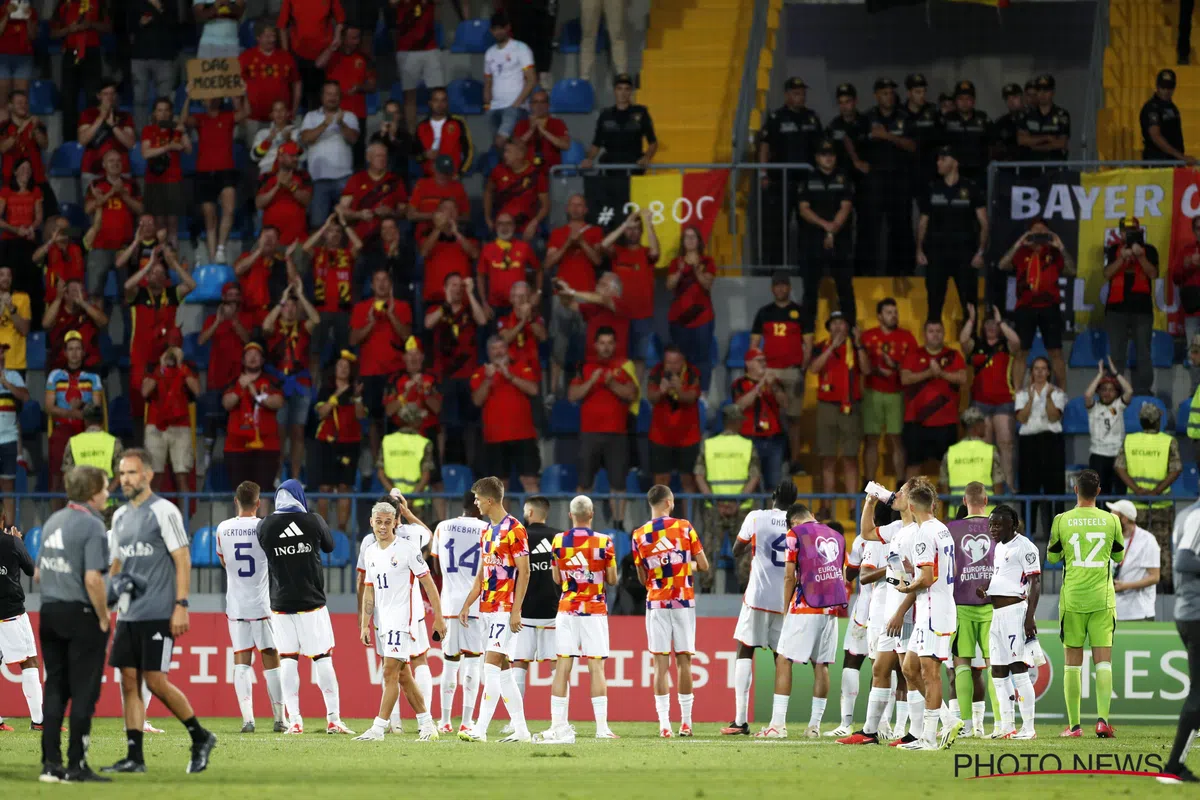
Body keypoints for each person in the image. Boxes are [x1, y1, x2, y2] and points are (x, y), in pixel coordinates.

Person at [102, 449, 216, 775]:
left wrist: (181, 605)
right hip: (128, 613)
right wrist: (108, 599)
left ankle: (200, 735)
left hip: (158, 611)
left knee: (155, 681)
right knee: (128, 682)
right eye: (121, 474)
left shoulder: (164, 511)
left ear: (148, 475)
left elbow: (182, 558)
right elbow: (117, 564)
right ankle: (134, 757)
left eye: (131, 473)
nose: (125, 480)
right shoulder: (121, 516)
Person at [34, 465, 111, 783]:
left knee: (54, 688)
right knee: (83, 692)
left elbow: (38, 573)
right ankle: (76, 766)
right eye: (105, 488)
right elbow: (93, 578)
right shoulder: (93, 525)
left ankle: (50, 764)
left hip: (48, 612)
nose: (108, 493)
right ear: (93, 493)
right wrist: (104, 616)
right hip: (80, 615)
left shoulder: (53, 520)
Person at [257, 479, 349, 734]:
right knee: (322, 659)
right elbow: (330, 546)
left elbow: (268, 550)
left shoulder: (264, 525)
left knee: (287, 660)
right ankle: (333, 718)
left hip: (280, 603)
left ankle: (295, 720)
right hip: (312, 602)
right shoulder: (314, 520)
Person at [355, 501, 447, 742]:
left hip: (402, 620)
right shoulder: (371, 552)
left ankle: (378, 728)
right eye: (379, 522)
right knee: (404, 677)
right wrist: (365, 623)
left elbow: (428, 583)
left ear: (396, 522)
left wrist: (438, 617)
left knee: (389, 673)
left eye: (388, 522)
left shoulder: (406, 549)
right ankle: (427, 725)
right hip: (383, 623)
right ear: (371, 523)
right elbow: (369, 590)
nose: (383, 527)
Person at [837, 481, 917, 746]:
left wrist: (900, 611)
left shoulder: (922, 533)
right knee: (881, 669)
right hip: (888, 613)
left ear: (913, 500)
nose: (896, 494)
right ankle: (870, 732)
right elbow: (867, 533)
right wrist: (870, 502)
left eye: (902, 491)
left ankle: (927, 728)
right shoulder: (896, 528)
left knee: (912, 673)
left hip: (906, 613)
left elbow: (922, 579)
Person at [534, 496, 619, 744]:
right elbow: (612, 579)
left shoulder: (558, 541)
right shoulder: (604, 542)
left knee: (563, 667)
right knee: (596, 667)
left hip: (567, 609)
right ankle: (602, 728)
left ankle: (557, 725)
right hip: (594, 611)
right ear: (591, 514)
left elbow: (558, 579)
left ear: (570, 515)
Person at [1047, 469, 1124, 738]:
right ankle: (1103, 721)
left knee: (1072, 663)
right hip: (1102, 600)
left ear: (1075, 489)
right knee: (1103, 663)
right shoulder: (1112, 520)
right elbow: (1119, 554)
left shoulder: (1061, 520)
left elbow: (1054, 559)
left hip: (1073, 600)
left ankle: (1075, 725)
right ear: (1099, 492)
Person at [761, 503, 848, 738]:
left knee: (783, 659)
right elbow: (842, 573)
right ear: (812, 516)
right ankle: (814, 727)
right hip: (830, 610)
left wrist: (784, 608)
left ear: (793, 522)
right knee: (822, 665)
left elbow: (789, 575)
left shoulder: (794, 534)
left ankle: (777, 726)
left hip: (805, 606)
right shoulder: (837, 536)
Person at [456, 476, 532, 743]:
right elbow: (482, 572)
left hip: (503, 608)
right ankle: (522, 731)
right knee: (504, 672)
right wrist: (467, 604)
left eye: (477, 498)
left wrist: (516, 610)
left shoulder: (515, 529)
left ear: (489, 500)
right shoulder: (487, 531)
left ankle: (480, 729)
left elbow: (525, 571)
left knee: (488, 668)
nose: (475, 503)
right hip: (486, 608)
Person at [722, 479, 798, 736]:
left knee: (745, 649)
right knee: (782, 658)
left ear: (774, 495)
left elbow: (735, 550)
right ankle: (779, 723)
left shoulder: (757, 517)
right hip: (785, 600)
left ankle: (740, 720)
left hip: (757, 596)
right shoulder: (798, 525)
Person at [632, 484, 710, 737]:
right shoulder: (684, 527)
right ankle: (686, 722)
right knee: (684, 661)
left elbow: (641, 575)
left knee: (660, 664)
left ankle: (664, 724)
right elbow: (704, 565)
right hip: (683, 601)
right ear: (668, 502)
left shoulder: (639, 534)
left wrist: (660, 572)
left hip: (656, 601)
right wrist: (681, 568)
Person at [893, 481, 960, 751]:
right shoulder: (942, 529)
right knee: (909, 667)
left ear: (911, 507)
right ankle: (947, 719)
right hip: (933, 608)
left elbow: (929, 578)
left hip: (934, 609)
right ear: (932, 505)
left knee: (930, 672)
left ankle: (930, 738)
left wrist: (906, 585)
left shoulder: (923, 534)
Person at [214, 481, 286, 734]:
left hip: (236, 605)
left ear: (236, 501)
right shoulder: (264, 527)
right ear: (258, 503)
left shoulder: (222, 528)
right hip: (261, 604)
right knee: (271, 660)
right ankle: (280, 718)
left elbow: (224, 561)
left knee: (242, 661)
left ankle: (248, 720)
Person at [981, 504, 1041, 740]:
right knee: (997, 670)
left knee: (1018, 669)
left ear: (1012, 525)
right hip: (997, 616)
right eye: (991, 524)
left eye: (998, 524)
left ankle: (1029, 728)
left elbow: (1035, 582)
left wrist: (1029, 618)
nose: (993, 529)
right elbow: (1004, 578)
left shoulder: (1025, 547)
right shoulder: (998, 547)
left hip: (1016, 613)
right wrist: (986, 590)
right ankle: (1007, 725)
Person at [944, 483, 999, 739]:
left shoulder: (950, 529)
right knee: (995, 665)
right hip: (992, 605)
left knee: (962, 663)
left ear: (964, 501)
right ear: (986, 499)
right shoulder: (998, 527)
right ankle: (1001, 724)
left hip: (960, 604)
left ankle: (965, 725)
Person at [431, 492, 488, 734]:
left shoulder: (443, 526)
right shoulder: (487, 529)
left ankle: (444, 721)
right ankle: (466, 721)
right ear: (478, 503)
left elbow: (435, 566)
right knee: (473, 663)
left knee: (450, 663)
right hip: (475, 604)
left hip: (450, 604)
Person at [569, 326, 636, 525]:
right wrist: (591, 381)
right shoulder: (584, 367)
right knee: (584, 484)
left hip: (617, 434)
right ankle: (581, 525)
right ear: (596, 345)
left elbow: (632, 394)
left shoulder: (624, 366)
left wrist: (611, 383)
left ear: (615, 345)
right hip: (589, 434)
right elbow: (573, 395)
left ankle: (618, 524)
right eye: (602, 343)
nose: (606, 347)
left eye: (609, 343)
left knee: (618, 484)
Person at [996, 219, 1073, 389]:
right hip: (1025, 307)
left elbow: (1071, 270)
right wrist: (1018, 244)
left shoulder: (1053, 252)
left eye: (1042, 232)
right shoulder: (1022, 252)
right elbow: (1002, 265)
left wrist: (1060, 247)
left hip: (1050, 306)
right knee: (1021, 352)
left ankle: (1062, 392)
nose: (1038, 235)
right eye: (1034, 232)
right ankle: (1017, 393)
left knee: (1055, 352)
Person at [757, 77, 824, 267]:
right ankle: (777, 270)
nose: (800, 97)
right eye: (796, 93)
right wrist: (763, 173)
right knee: (778, 228)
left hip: (807, 183)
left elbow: (822, 148)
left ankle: (808, 267)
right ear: (787, 95)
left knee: (809, 227)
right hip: (780, 182)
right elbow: (764, 146)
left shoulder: (812, 117)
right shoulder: (776, 118)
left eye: (802, 93)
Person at [916, 146, 987, 324]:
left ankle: (972, 347)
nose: (938, 163)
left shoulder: (971, 187)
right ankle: (931, 347)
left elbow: (984, 223)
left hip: (965, 254)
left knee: (969, 306)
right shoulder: (932, 188)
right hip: (936, 253)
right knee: (934, 304)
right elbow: (923, 221)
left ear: (955, 162)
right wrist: (919, 249)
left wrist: (980, 252)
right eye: (938, 159)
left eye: (943, 159)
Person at [1115, 401, 1181, 592]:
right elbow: (1176, 469)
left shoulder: (1129, 440)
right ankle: (1164, 588)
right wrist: (1156, 492)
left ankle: (1134, 584)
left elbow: (1119, 467)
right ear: (1158, 421)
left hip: (1134, 509)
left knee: (1133, 546)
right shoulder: (1168, 441)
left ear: (1142, 421)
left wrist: (1137, 490)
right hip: (1161, 506)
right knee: (1162, 548)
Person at [693, 405, 760, 592]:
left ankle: (705, 593)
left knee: (707, 550)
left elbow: (699, 475)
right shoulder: (747, 446)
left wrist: (716, 501)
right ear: (736, 422)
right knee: (745, 553)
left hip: (714, 507)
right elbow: (754, 476)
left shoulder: (709, 445)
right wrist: (736, 502)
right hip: (742, 509)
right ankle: (745, 596)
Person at [807, 311, 865, 518]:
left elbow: (866, 369)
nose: (839, 327)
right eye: (835, 323)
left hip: (850, 407)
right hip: (827, 406)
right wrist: (832, 347)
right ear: (829, 327)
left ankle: (853, 507)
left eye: (842, 323)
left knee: (850, 457)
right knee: (827, 458)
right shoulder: (822, 346)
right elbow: (814, 368)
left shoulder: (855, 347)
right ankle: (825, 507)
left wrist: (858, 345)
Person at [856, 78, 915, 277]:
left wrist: (887, 136)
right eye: (884, 93)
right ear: (876, 95)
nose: (888, 96)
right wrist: (857, 161)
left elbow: (912, 146)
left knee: (900, 227)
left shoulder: (904, 117)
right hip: (874, 181)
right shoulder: (866, 118)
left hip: (899, 179)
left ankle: (898, 271)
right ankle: (867, 272)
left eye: (890, 92)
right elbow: (851, 140)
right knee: (870, 227)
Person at [351, 268, 411, 461]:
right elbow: (353, 340)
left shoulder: (402, 307)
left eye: (385, 280)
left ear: (391, 284)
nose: (382, 284)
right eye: (377, 280)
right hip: (370, 372)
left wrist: (391, 315)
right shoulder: (361, 308)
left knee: (397, 418)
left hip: (396, 371)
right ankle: (378, 461)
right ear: (372, 285)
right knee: (374, 420)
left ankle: (397, 459)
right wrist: (370, 323)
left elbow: (407, 337)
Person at [263, 279, 321, 481]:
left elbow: (316, 319)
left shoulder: (303, 327)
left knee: (297, 432)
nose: (289, 309)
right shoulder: (275, 328)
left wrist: (301, 295)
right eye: (287, 305)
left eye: (293, 306)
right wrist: (281, 301)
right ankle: (277, 475)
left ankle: (295, 477)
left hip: (300, 385)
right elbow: (265, 325)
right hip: (278, 384)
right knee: (278, 433)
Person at [749, 274, 806, 472]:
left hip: (792, 370)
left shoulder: (800, 312)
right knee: (770, 415)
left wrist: (802, 369)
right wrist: (759, 369)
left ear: (789, 288)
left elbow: (807, 343)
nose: (781, 289)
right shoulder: (764, 313)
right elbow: (754, 345)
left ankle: (794, 461)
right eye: (777, 286)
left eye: (784, 286)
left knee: (794, 419)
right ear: (772, 289)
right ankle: (775, 458)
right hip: (770, 371)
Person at [796, 140, 855, 331]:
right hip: (813, 240)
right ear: (816, 157)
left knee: (845, 288)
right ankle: (808, 334)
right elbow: (804, 209)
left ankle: (851, 331)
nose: (828, 158)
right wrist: (826, 227)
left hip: (840, 240)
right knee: (810, 291)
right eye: (823, 154)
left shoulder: (843, 178)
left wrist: (833, 229)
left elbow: (846, 207)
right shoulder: (807, 179)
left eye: (831, 154)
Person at [959, 304, 1020, 487]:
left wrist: (1001, 321)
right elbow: (963, 341)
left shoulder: (1006, 346)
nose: (992, 327)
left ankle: (1008, 486)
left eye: (995, 324)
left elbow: (1016, 341)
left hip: (1004, 402)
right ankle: (984, 486)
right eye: (988, 324)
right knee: (983, 447)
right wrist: (971, 318)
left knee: (1006, 445)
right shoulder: (976, 345)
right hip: (981, 402)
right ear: (983, 327)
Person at [509, 496, 560, 707]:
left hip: (524, 610)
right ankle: (560, 722)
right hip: (554, 610)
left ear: (530, 513)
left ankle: (515, 722)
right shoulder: (558, 537)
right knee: (559, 664)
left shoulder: (521, 536)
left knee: (520, 663)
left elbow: (513, 573)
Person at [470, 336, 540, 492]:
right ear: (488, 352)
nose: (498, 352)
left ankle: (535, 518)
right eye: (494, 348)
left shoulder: (521, 367)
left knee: (530, 481)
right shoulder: (481, 373)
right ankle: (503, 518)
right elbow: (476, 400)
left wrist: (510, 376)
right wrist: (488, 379)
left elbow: (534, 390)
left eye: (501, 347)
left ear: (507, 349)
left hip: (524, 435)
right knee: (499, 488)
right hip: (495, 438)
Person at [1162, 498, 1200, 783]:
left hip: (1191, 612)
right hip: (1196, 614)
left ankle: (1175, 765)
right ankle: (1173, 765)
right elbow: (1186, 559)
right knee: (1198, 694)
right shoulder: (1197, 517)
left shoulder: (1189, 514)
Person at [900, 319, 967, 479]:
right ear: (924, 335)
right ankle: (910, 504)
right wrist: (930, 373)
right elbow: (905, 378)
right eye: (931, 331)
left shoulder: (953, 355)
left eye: (938, 331)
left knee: (948, 466)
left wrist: (941, 373)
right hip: (916, 421)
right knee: (913, 465)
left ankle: (949, 504)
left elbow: (962, 378)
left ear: (943, 334)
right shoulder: (914, 355)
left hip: (946, 422)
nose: (935, 335)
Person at [1104, 216, 1158, 395]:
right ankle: (1115, 389)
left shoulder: (1149, 250)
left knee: (1143, 351)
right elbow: (1107, 274)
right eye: (1125, 231)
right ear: (1120, 233)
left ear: (1139, 231)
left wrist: (1140, 256)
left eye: (1133, 231)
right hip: (1116, 310)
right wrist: (1122, 258)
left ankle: (1143, 390)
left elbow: (1152, 274)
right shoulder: (1113, 250)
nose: (1129, 234)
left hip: (1142, 311)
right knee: (1117, 353)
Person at [45, 334, 104, 497]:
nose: (74, 353)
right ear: (65, 352)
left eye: (78, 348)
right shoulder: (54, 376)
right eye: (70, 349)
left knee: (84, 477)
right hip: (61, 430)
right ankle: (57, 519)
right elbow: (49, 407)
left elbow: (96, 409)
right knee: (57, 478)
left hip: (84, 432)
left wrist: (82, 407)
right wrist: (72, 412)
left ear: (84, 352)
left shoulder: (93, 378)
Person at [1015, 356, 1068, 536]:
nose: (1039, 372)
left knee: (1055, 490)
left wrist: (1047, 397)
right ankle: (1026, 536)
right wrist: (1031, 399)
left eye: (1043, 368)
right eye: (1036, 369)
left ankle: (1057, 538)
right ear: (1032, 372)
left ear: (1048, 372)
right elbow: (1022, 418)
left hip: (1052, 443)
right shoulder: (1022, 394)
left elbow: (1054, 417)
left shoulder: (1058, 393)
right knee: (1028, 489)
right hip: (1028, 444)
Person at [601, 209, 659, 374]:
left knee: (639, 358)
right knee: (619, 356)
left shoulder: (646, 252)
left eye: (636, 228)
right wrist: (625, 224)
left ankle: (637, 395)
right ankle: (621, 390)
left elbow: (656, 252)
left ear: (641, 231)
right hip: (619, 315)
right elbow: (603, 245)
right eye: (629, 228)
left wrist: (648, 223)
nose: (632, 232)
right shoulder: (617, 252)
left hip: (643, 316)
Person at [222, 343, 285, 492]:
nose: (253, 358)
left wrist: (254, 392)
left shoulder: (271, 382)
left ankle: (262, 517)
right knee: (241, 495)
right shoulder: (234, 381)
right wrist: (240, 389)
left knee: (263, 493)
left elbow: (278, 402)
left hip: (266, 446)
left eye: (256, 355)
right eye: (249, 354)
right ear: (243, 360)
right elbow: (227, 403)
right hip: (237, 446)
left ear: (262, 360)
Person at [141, 337, 199, 493]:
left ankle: (183, 517)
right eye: (168, 349)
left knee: (182, 476)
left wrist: (181, 367)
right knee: (154, 477)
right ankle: (153, 517)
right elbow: (145, 391)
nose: (171, 353)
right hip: (155, 425)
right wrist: (161, 368)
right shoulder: (154, 366)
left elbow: (197, 390)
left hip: (181, 426)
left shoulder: (188, 367)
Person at [300, 81, 360, 227]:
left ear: (340, 97)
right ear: (322, 97)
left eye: (335, 94)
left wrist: (341, 123)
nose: (332, 97)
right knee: (318, 224)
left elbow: (353, 139)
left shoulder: (349, 116)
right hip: (319, 179)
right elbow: (306, 138)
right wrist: (325, 124)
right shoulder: (311, 116)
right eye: (329, 94)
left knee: (347, 223)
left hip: (344, 178)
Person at [665, 225, 717, 391]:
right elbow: (669, 285)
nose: (690, 240)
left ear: (699, 241)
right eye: (687, 237)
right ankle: (680, 392)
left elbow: (707, 285)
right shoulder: (675, 263)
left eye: (693, 237)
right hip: (679, 320)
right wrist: (680, 272)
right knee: (679, 359)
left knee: (702, 359)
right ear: (683, 242)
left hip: (702, 318)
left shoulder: (708, 262)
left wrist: (696, 269)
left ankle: (702, 396)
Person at [0, 517, 39, 731]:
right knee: (29, 662)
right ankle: (39, 721)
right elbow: (31, 570)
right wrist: (20, 543)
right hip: (11, 614)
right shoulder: (12, 542)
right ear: (2, 519)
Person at [50, 0, 108, 140]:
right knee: (68, 99)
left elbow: (108, 27)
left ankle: (94, 140)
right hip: (70, 53)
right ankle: (69, 142)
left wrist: (91, 24)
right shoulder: (63, 4)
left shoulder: (98, 2)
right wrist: (68, 30)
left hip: (91, 53)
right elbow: (53, 33)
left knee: (93, 98)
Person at [317, 25, 375, 166]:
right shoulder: (332, 56)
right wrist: (332, 46)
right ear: (342, 38)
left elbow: (372, 85)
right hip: (333, 114)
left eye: (358, 37)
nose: (356, 41)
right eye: (352, 37)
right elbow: (318, 64)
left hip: (357, 114)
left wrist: (360, 87)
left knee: (358, 156)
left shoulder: (364, 58)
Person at [731, 348, 788, 489]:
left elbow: (785, 403)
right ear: (748, 363)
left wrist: (773, 385)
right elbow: (740, 405)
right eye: (759, 360)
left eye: (764, 360)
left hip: (773, 439)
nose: (763, 363)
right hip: (750, 439)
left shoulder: (775, 382)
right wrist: (761, 384)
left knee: (774, 485)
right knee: (750, 483)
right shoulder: (739, 384)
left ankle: (774, 511)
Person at [647, 345, 701, 492]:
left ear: (683, 361)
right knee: (660, 484)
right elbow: (651, 397)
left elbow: (691, 398)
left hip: (688, 437)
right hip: (660, 436)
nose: (671, 366)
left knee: (688, 481)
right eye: (668, 362)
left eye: (675, 362)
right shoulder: (657, 372)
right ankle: (660, 516)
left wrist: (679, 389)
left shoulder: (692, 373)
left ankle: (687, 515)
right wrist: (661, 391)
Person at [580, 73, 657, 171]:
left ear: (631, 92)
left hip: (634, 167)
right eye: (619, 88)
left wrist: (646, 157)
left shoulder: (641, 112)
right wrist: (588, 159)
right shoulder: (605, 115)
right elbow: (596, 143)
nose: (623, 93)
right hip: (610, 169)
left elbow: (653, 142)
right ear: (614, 91)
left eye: (627, 89)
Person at [338, 142, 406, 251]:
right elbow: (341, 210)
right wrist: (358, 215)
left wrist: (390, 212)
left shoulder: (395, 180)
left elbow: (403, 211)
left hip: (387, 240)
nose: (382, 159)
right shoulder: (356, 179)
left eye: (384, 156)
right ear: (368, 158)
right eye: (378, 156)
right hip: (360, 237)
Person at [140, 99, 190, 241]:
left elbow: (188, 150)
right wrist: (168, 147)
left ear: (170, 113)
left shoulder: (175, 130)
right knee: (159, 223)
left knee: (173, 223)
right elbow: (146, 153)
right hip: (154, 181)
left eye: (166, 110)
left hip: (173, 180)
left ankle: (173, 256)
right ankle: (161, 256)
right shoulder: (148, 130)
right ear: (154, 113)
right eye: (160, 110)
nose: (163, 114)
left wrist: (183, 132)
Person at [939, 408, 1003, 520]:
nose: (985, 427)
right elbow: (998, 487)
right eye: (983, 424)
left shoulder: (951, 452)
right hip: (986, 516)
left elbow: (944, 486)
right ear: (976, 426)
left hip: (957, 515)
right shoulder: (990, 451)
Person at [483, 11, 535, 148]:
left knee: (502, 141)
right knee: (499, 148)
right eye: (495, 29)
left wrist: (517, 104)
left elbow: (531, 79)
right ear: (491, 31)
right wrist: (487, 105)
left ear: (508, 28)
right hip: (494, 107)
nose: (498, 32)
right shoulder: (489, 53)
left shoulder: (521, 48)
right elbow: (488, 81)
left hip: (514, 107)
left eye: (501, 28)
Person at [392, 0, 445, 134]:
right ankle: (412, 136)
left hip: (430, 47)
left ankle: (439, 133)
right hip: (406, 49)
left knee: (438, 93)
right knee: (410, 95)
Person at [277, 0, 342, 109]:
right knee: (302, 98)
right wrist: (286, 55)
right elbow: (282, 26)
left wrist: (337, 37)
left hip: (324, 55)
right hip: (299, 55)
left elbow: (340, 19)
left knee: (324, 98)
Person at [1104, 499, 1161, 622]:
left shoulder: (1147, 541)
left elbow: (1154, 577)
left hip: (1139, 613)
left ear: (1124, 519)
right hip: (1112, 612)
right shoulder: (1109, 539)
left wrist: (1125, 586)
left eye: (1113, 515)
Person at [478, 212, 542, 315]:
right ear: (496, 226)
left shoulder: (524, 247)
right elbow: (480, 276)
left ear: (514, 226)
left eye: (508, 224)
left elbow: (539, 270)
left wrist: (538, 293)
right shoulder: (487, 249)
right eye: (501, 224)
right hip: (494, 306)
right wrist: (484, 303)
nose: (504, 227)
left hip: (520, 305)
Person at [1084, 362, 1133, 494]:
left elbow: (1129, 391)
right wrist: (1100, 375)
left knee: (1119, 494)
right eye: (1103, 389)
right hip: (1098, 455)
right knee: (1099, 495)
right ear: (1098, 391)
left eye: (1111, 390)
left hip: (1118, 455)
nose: (1107, 393)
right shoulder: (1094, 408)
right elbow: (1088, 395)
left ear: (1116, 393)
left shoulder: (1118, 406)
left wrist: (1116, 373)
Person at [484, 140, 549, 241]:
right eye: (504, 151)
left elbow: (545, 206)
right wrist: (488, 218)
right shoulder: (498, 171)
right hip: (501, 229)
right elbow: (488, 192)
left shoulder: (536, 175)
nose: (504, 155)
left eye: (508, 152)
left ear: (520, 154)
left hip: (525, 230)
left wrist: (534, 223)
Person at [240, 22, 301, 127]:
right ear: (258, 37)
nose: (272, 40)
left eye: (274, 36)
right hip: (253, 119)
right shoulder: (246, 57)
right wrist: (241, 112)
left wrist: (294, 110)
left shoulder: (286, 57)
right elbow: (237, 86)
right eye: (267, 36)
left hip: (282, 119)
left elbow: (297, 83)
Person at [256, 141, 313, 248]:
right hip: (271, 241)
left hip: (298, 240)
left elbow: (307, 200)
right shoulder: (266, 177)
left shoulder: (303, 175)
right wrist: (277, 187)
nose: (296, 159)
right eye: (292, 156)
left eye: (297, 156)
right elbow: (259, 203)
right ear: (281, 157)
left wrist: (291, 187)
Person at [940, 81, 990, 186]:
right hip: (954, 173)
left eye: (968, 99)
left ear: (974, 101)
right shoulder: (947, 120)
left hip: (978, 172)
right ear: (955, 101)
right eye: (961, 99)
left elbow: (992, 142)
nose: (964, 102)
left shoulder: (983, 118)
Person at [512, 88, 569, 179]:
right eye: (535, 102)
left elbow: (565, 145)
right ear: (530, 105)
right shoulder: (521, 124)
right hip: (526, 175)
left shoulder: (557, 123)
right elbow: (515, 148)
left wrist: (543, 131)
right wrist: (531, 130)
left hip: (551, 174)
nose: (539, 106)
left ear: (548, 105)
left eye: (542, 102)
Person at [415, 90, 474, 178]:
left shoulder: (458, 123)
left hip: (452, 177)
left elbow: (468, 150)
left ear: (447, 103)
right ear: (430, 103)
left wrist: (460, 173)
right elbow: (415, 156)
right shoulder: (421, 127)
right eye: (436, 100)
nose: (440, 104)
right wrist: (425, 155)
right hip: (430, 179)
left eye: (443, 100)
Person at [1018, 74, 1070, 163]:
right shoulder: (1026, 115)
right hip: (1030, 167)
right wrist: (1047, 138)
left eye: (1046, 90)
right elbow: (1022, 140)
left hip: (1055, 165)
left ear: (1053, 92)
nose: (1042, 94)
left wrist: (1034, 146)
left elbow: (1061, 143)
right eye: (1039, 90)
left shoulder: (1062, 115)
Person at [1142, 69, 1191, 162]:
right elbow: (1156, 136)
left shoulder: (1172, 107)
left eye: (1169, 87)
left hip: (1173, 163)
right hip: (1158, 164)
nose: (1166, 90)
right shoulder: (1151, 108)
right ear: (1157, 86)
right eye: (1163, 87)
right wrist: (1181, 157)